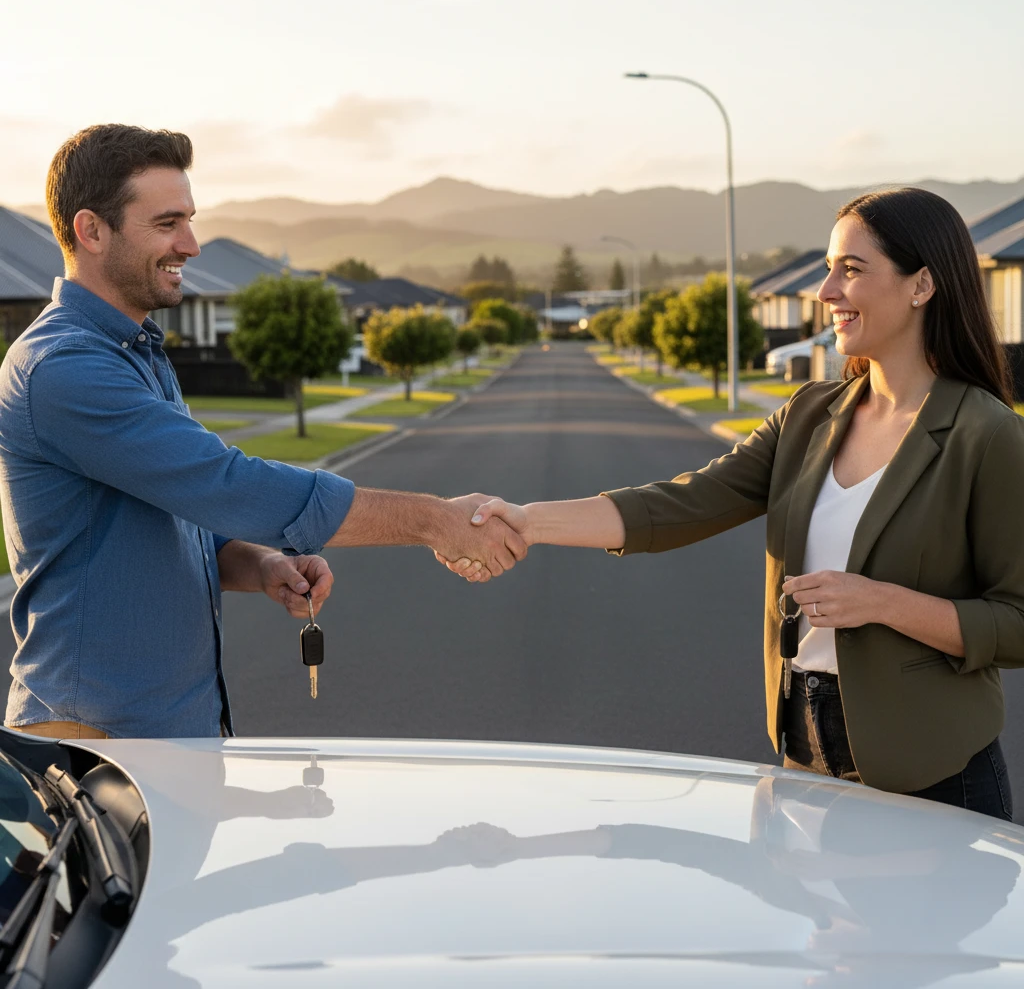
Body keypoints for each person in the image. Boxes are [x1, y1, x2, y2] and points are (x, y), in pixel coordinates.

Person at [443, 187, 1024, 820]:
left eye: (851, 270)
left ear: (922, 285)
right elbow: (682, 504)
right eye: (828, 268)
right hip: (803, 753)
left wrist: (882, 603)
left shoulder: (988, 436)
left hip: (934, 774)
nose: (825, 291)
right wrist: (526, 521)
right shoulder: (808, 416)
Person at [0, 124, 523, 740]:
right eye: (167, 224)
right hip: (94, 744)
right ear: (91, 231)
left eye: (189, 220)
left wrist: (261, 563)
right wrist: (435, 520)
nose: (191, 245)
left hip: (167, 731)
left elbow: (178, 511)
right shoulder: (63, 367)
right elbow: (227, 485)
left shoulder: (133, 351)